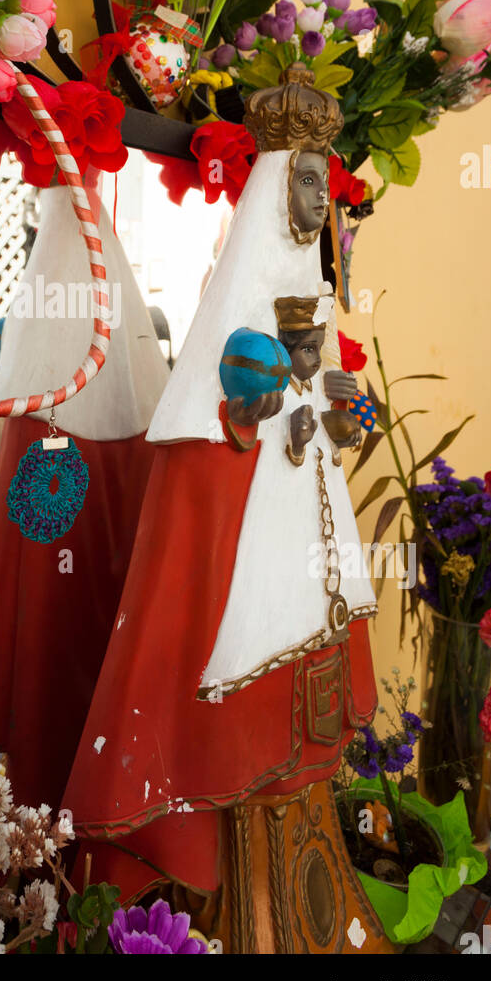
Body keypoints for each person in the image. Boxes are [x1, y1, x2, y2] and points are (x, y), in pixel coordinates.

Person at [62, 65, 378, 901]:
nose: (320, 202)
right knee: (240, 728)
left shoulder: (309, 295)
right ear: (277, 190)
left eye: (324, 185)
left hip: (306, 569)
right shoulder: (235, 320)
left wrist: (343, 418)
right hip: (249, 575)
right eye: (307, 183)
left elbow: (329, 440)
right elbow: (209, 453)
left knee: (297, 760)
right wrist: (252, 417)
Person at [0, 171, 171, 811]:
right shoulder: (89, 389)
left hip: (73, 495)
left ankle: (63, 812)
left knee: (52, 637)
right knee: (67, 644)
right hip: (87, 501)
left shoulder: (51, 394)